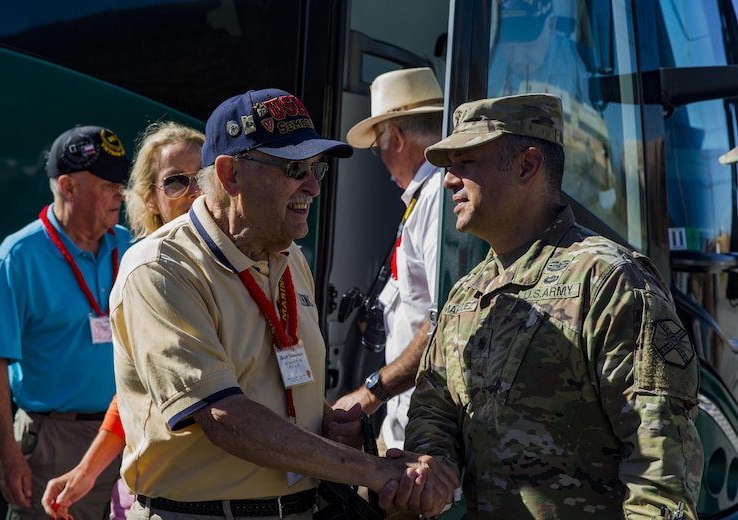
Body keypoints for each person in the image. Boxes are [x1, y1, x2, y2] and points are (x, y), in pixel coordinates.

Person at [109, 88, 460, 520]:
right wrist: (374, 470)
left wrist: (327, 422)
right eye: (294, 168)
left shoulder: (289, 256)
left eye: (316, 168)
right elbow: (226, 418)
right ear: (230, 175)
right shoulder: (161, 268)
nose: (312, 186)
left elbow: (272, 388)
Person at [393, 93, 704, 518]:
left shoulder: (608, 280)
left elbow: (660, 460)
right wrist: (433, 467)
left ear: (527, 166)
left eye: (466, 162)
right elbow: (434, 412)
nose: (449, 180)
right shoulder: (466, 294)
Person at [41, 121, 205, 520]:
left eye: (204, 177)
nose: (195, 192)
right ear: (150, 200)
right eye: (176, 182)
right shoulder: (150, 270)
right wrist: (85, 472)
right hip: (168, 492)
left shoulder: (251, 261)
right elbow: (134, 392)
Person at [0, 125, 134, 519]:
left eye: (121, 184)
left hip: (128, 434)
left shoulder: (129, 245)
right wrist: (7, 454)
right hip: (56, 443)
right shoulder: (17, 257)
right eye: (108, 185)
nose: (120, 193)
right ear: (68, 187)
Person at [335, 67, 443, 456]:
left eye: (378, 146)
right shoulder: (429, 194)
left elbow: (442, 321)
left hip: (425, 438)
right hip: (410, 426)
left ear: (395, 138)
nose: (379, 158)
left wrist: (371, 393)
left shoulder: (436, 196)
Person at [489, 0, 618, 227]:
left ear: (551, 26)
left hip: (571, 204)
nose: (517, 58)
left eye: (528, 45)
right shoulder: (491, 62)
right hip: (507, 198)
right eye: (510, 46)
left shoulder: (580, 63)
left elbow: (603, 145)